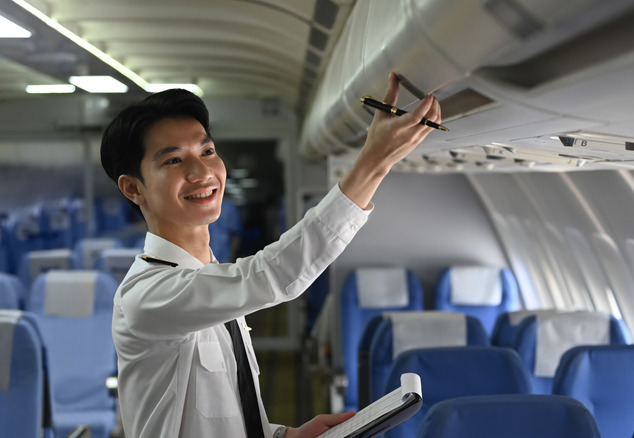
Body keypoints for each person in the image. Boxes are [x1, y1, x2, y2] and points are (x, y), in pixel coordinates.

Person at [99, 73, 441, 438]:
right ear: (134, 188)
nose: (201, 172)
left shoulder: (210, 278)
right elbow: (272, 275)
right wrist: (374, 162)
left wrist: (285, 436)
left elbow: (225, 415)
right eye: (173, 161)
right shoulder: (147, 296)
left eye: (207, 152)